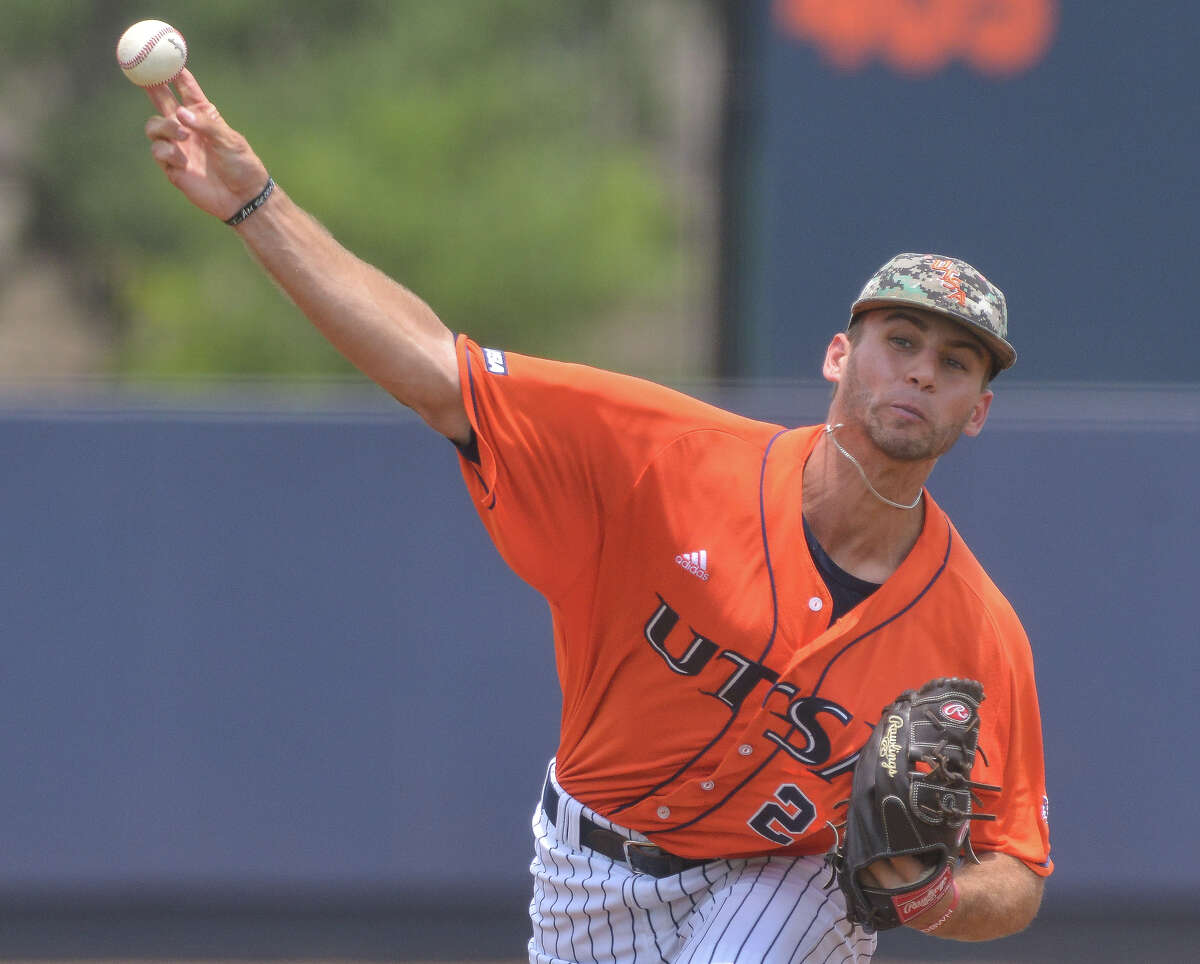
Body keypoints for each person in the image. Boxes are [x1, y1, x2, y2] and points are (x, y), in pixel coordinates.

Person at [142, 70, 1052, 963]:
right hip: (586, 870)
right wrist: (257, 204)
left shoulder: (976, 630)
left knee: (790, 906)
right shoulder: (666, 458)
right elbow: (435, 369)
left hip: (787, 884)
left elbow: (1017, 867)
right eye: (900, 341)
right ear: (837, 357)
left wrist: (935, 896)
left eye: (957, 362)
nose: (923, 371)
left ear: (977, 409)